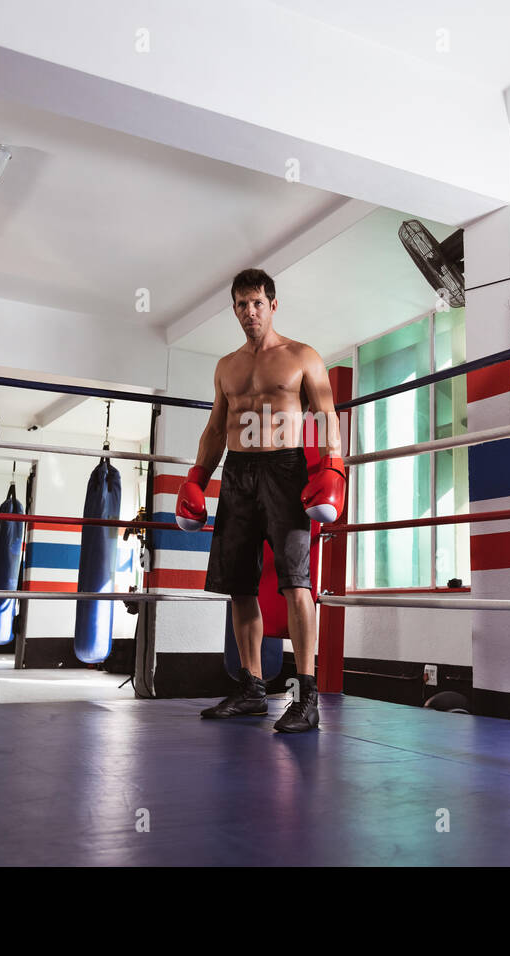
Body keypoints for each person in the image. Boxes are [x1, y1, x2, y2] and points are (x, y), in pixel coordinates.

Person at [174, 268, 345, 732]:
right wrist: (197, 477)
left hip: (284, 470)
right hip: (238, 474)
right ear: (233, 310)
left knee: (295, 581)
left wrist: (333, 467)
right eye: (240, 305)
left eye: (256, 303)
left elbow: (327, 415)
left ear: (272, 305)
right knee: (239, 585)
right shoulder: (226, 366)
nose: (249, 312)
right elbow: (215, 428)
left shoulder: (302, 356)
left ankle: (306, 696)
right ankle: (251, 688)